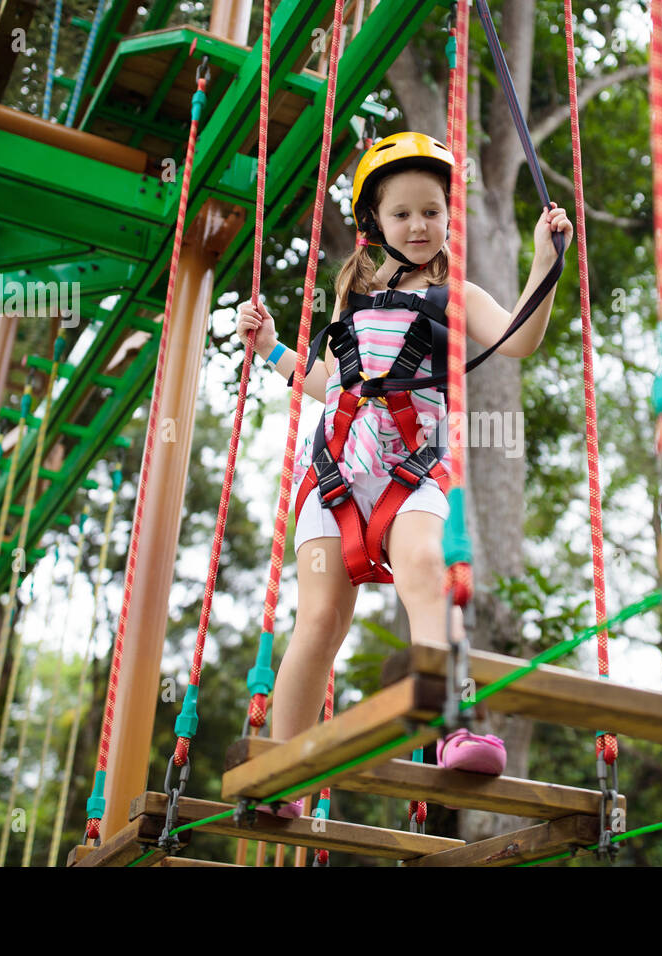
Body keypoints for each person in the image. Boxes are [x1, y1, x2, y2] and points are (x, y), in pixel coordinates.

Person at [236, 131, 571, 816]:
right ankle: (286, 772)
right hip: (335, 476)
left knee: (426, 571)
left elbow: (521, 338)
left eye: (431, 211)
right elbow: (324, 381)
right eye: (401, 213)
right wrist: (270, 349)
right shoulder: (350, 297)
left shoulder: (457, 294)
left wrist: (546, 261)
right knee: (321, 619)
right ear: (374, 225)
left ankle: (455, 727)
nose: (419, 225)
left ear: (449, 217)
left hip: (411, 472)